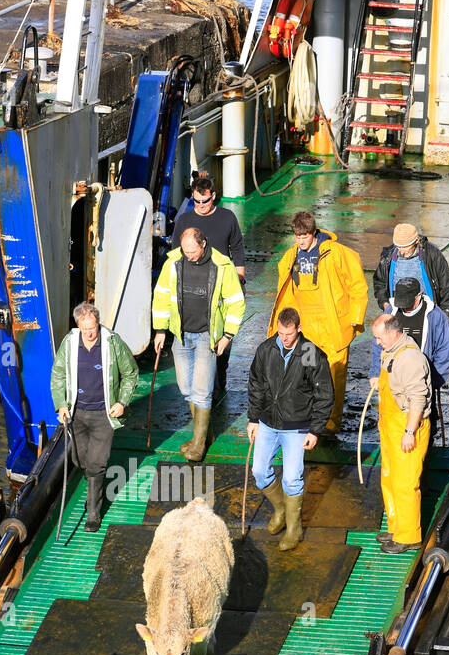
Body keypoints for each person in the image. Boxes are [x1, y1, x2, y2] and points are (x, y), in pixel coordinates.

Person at [268, 210, 368, 435]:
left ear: (314, 233)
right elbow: (285, 292)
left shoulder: (339, 254)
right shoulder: (289, 257)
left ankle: (330, 423)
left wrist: (354, 320)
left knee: (334, 375)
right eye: (297, 237)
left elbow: (358, 286)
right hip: (307, 326)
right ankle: (308, 418)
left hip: (333, 326)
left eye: (304, 237)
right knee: (307, 375)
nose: (300, 241)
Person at [152, 226, 245, 463]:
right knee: (186, 390)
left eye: (192, 251)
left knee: (202, 392)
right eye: (184, 251)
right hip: (181, 337)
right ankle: (203, 435)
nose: (188, 255)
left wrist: (227, 336)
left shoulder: (222, 266)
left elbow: (236, 302)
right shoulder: (173, 263)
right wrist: (161, 329)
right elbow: (161, 296)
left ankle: (198, 445)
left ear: (203, 244)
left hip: (208, 337)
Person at [246, 306, 334, 551]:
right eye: (281, 333)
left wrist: (315, 430)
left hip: (297, 427)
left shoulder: (309, 353)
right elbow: (255, 385)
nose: (284, 339)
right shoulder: (266, 349)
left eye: (289, 334)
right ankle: (281, 508)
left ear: (298, 329)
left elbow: (324, 395)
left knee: (292, 478)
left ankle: (294, 529)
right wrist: (253, 418)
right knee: (259, 472)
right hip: (267, 422)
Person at [50, 302, 138, 533]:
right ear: (77, 325)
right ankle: (93, 490)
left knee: (97, 464)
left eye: (94, 327)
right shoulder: (69, 343)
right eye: (85, 329)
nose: (90, 333)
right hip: (77, 413)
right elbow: (58, 375)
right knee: (80, 461)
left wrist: (122, 402)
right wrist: (61, 405)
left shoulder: (112, 342)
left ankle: (93, 513)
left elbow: (130, 373)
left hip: (103, 414)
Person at [171, 173, 245, 395]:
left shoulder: (227, 217)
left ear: (213, 196)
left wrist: (240, 278)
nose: (201, 206)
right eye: (197, 201)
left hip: (222, 285)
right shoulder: (184, 221)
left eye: (205, 201)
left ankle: (219, 372)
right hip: (193, 286)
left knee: (222, 335)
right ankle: (201, 385)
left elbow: (237, 247)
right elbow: (175, 252)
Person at [371, 311, 432, 554]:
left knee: (406, 483)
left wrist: (409, 431)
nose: (377, 343)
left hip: (407, 426)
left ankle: (409, 536)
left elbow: (418, 399)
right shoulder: (391, 351)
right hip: (390, 426)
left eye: (379, 338)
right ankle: (395, 527)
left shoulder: (410, 359)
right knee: (390, 477)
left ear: (393, 333)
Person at [368, 276, 449, 437]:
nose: (405, 309)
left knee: (423, 417)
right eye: (402, 304)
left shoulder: (436, 317)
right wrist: (375, 372)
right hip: (392, 376)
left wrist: (433, 381)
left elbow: (445, 351)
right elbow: (376, 343)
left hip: (419, 378)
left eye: (408, 304)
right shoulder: (391, 312)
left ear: (419, 296)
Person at [373, 222, 449, 321]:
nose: (402, 251)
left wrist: (447, 314)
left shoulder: (432, 254)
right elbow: (380, 282)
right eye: (398, 246)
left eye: (406, 247)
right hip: (398, 311)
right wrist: (385, 304)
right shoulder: (388, 256)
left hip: (427, 312)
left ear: (416, 241)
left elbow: (446, 285)